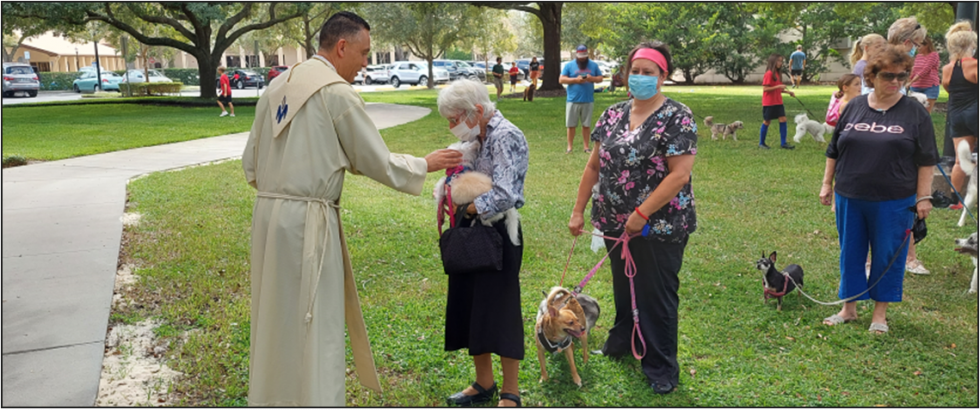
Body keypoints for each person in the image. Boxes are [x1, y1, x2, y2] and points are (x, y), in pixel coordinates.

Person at [241, 11, 462, 406]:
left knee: (275, 319)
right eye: (363, 53)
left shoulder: (277, 87)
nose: (365, 63)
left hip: (268, 219)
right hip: (308, 221)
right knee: (314, 320)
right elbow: (373, 158)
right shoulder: (336, 94)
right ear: (341, 47)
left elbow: (251, 166)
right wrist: (424, 164)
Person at [568, 40, 697, 395]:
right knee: (624, 288)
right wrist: (579, 210)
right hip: (613, 220)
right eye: (635, 71)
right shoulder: (612, 113)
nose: (639, 78)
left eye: (648, 72)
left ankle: (660, 366)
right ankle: (621, 342)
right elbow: (594, 164)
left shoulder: (677, 116)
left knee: (655, 294)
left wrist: (642, 213)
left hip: (659, 224)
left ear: (662, 77)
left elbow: (679, 175)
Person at [819, 45, 938, 334]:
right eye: (889, 76)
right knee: (851, 252)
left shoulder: (915, 113)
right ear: (872, 76)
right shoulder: (855, 106)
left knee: (888, 255)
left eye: (902, 76)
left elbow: (926, 160)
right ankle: (848, 309)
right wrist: (827, 184)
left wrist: (924, 197)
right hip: (850, 194)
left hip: (895, 199)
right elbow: (834, 150)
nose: (896, 82)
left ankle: (879, 316)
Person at [436, 79, 529, 408]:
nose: (452, 126)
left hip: (497, 233)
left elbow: (507, 193)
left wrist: (470, 205)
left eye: (454, 119)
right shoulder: (478, 135)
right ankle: (483, 382)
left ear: (476, 111)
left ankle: (511, 392)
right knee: (471, 306)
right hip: (469, 231)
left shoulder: (507, 135)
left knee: (499, 309)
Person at [941, 21, 977, 211]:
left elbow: (948, 88)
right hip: (975, 111)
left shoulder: (948, 68)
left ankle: (955, 200)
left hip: (956, 113)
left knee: (959, 160)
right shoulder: (974, 65)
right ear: (971, 44)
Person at [560, 44, 604, 154]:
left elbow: (600, 78)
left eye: (584, 56)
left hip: (588, 99)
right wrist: (575, 80)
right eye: (581, 57)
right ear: (576, 55)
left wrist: (591, 78)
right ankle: (569, 147)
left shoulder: (593, 65)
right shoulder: (569, 65)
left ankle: (586, 147)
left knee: (586, 125)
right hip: (572, 99)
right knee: (571, 125)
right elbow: (561, 79)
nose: (583, 59)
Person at [759, 54, 795, 150]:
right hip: (769, 102)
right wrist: (779, 86)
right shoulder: (769, 73)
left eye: (781, 61)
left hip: (778, 101)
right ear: (773, 61)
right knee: (767, 121)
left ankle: (783, 143)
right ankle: (761, 143)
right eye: (778, 61)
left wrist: (788, 92)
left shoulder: (777, 74)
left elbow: (776, 89)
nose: (780, 63)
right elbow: (765, 88)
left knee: (783, 119)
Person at [886, 16, 928, 97]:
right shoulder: (893, 68)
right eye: (916, 45)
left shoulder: (881, 61)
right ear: (907, 43)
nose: (916, 49)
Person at [909, 37, 941, 113]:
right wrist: (909, 80)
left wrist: (911, 82)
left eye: (919, 46)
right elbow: (914, 70)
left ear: (926, 45)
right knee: (914, 111)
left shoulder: (933, 55)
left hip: (930, 87)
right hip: (916, 87)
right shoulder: (918, 56)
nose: (917, 48)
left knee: (926, 112)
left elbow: (925, 70)